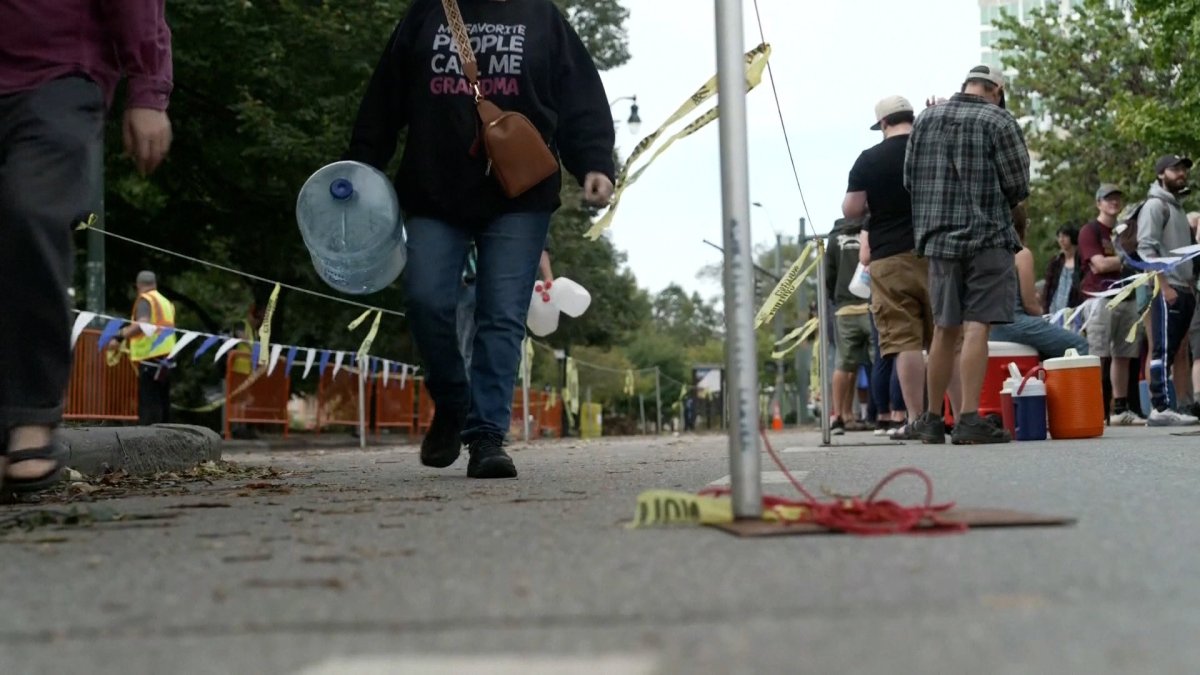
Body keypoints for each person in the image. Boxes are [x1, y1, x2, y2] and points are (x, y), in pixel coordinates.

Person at [345, 0, 615, 478]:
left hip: (520, 194)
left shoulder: (541, 16)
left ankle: (487, 436)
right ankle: (453, 398)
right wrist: (361, 165)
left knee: (502, 315)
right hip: (434, 189)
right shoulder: (427, 13)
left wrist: (593, 162)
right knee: (426, 300)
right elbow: (385, 96)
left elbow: (579, 95)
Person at [0, 2, 173, 493]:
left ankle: (31, 413)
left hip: (55, 71)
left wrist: (148, 89)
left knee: (30, 213)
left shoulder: (151, 304)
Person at [904, 65, 1030, 445]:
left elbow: (909, 179)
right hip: (987, 236)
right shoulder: (999, 120)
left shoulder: (925, 120)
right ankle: (969, 418)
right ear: (997, 90)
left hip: (939, 240)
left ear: (966, 85)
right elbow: (1018, 184)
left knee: (944, 328)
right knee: (977, 326)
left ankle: (929, 418)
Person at [843, 95, 932, 441]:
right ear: (912, 117)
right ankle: (953, 413)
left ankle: (915, 418)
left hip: (890, 258)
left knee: (905, 340)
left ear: (883, 124)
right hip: (936, 251)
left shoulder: (869, 159)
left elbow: (851, 209)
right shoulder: (929, 147)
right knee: (945, 337)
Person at [1137, 154, 1199, 426]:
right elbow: (1146, 248)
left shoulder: (1176, 207)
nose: (1181, 173)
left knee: (1174, 349)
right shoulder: (1155, 206)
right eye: (1175, 169)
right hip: (1167, 287)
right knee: (1161, 349)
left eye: (1183, 169)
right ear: (1161, 173)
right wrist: (1162, 285)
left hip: (1183, 287)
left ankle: (1176, 406)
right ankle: (1159, 407)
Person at [1077, 185, 1145, 425]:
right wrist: (1128, 260)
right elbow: (1099, 265)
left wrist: (1119, 262)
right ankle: (1095, 407)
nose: (1113, 202)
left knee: (1124, 355)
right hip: (1099, 298)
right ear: (1098, 203)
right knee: (1099, 354)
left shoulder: (1124, 232)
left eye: (1117, 198)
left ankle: (1120, 409)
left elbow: (1138, 259)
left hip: (1127, 296)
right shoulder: (1090, 230)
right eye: (1108, 198)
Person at [989, 217, 1088, 359]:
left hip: (992, 328)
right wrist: (1045, 315)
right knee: (1079, 345)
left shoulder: (987, 253)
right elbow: (1030, 305)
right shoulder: (1021, 253)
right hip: (1016, 323)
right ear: (1020, 226)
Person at [107, 272, 178, 425]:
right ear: (155, 283)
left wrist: (119, 336)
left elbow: (142, 323)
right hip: (168, 356)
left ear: (138, 285)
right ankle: (167, 438)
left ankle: (149, 439)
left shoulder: (146, 300)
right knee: (162, 400)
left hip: (152, 356)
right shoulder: (165, 301)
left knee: (149, 401)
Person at [824, 217, 872, 434]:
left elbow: (829, 273)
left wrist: (836, 297)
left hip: (844, 307)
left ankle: (840, 417)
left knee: (844, 363)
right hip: (871, 304)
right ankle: (888, 415)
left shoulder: (834, 238)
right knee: (879, 361)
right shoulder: (870, 231)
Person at [1043, 224, 1084, 315]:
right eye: (1059, 236)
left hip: (1074, 311)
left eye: (1064, 236)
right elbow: (1048, 287)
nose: (1061, 240)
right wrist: (1045, 309)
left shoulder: (1082, 261)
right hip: (1054, 310)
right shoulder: (1056, 262)